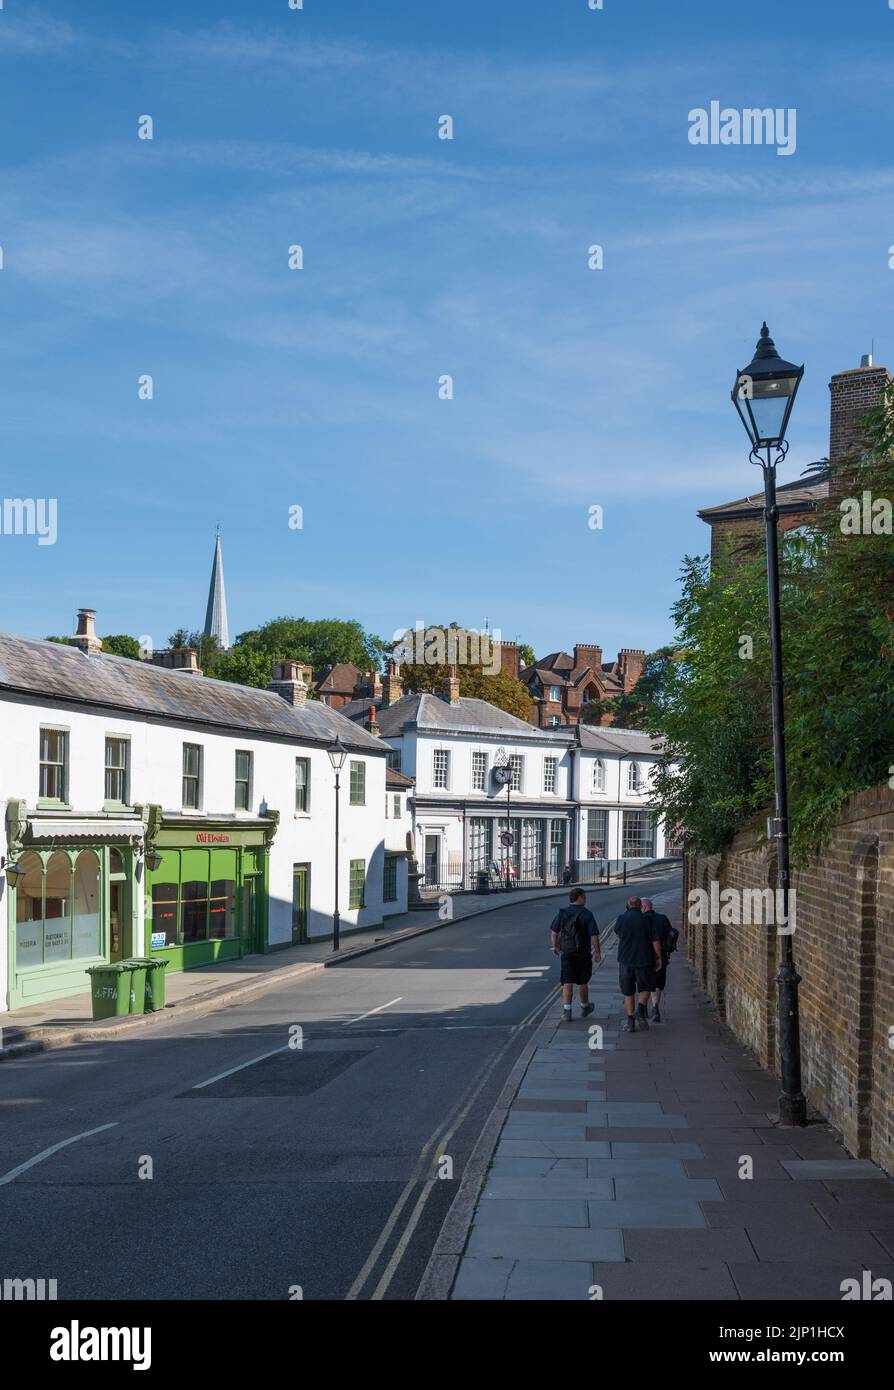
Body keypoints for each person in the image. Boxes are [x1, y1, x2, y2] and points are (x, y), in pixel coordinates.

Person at [550, 888, 602, 1022]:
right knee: (583, 981)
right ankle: (585, 1006)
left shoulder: (562, 913)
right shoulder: (587, 914)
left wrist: (555, 946)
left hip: (567, 952)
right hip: (583, 953)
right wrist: (597, 952)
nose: (586, 899)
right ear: (579, 898)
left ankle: (567, 1011)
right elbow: (594, 935)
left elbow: (554, 932)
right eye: (584, 897)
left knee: (567, 981)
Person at [613, 895, 663, 1033]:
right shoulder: (647, 919)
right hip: (645, 959)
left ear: (628, 906)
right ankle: (640, 1009)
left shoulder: (621, 918)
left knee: (628, 991)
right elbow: (655, 941)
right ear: (641, 906)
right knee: (646, 987)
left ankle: (630, 1022)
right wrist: (658, 957)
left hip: (626, 960)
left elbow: (618, 934)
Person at [641, 897, 677, 1023]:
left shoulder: (641, 919)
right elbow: (671, 936)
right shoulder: (662, 918)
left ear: (644, 907)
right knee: (657, 983)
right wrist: (668, 952)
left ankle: (643, 1008)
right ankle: (655, 1007)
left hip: (644, 956)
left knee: (644, 982)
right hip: (661, 955)